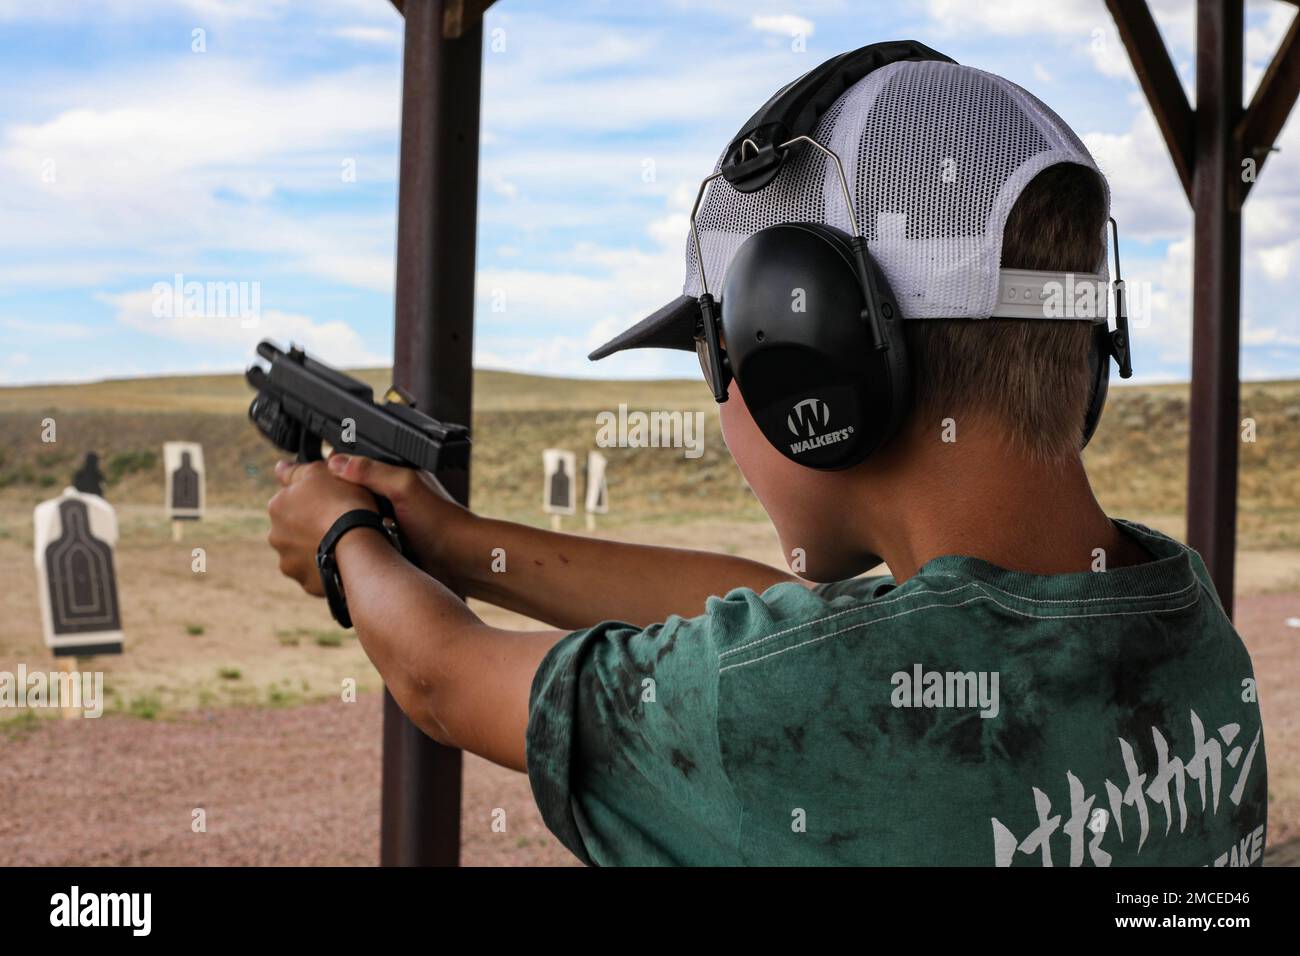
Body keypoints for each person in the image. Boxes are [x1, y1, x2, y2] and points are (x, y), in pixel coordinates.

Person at [265, 46, 1266, 866]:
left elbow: (444, 674)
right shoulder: (1183, 617)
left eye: (720, 357)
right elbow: (778, 622)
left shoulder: (792, 705)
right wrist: (453, 539)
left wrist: (339, 531)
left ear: (812, 370)